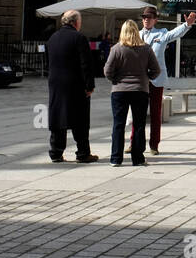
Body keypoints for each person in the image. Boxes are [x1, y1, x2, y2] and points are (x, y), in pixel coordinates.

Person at [139, 6, 196, 156]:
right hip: (140, 80)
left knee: (156, 113)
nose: (146, 19)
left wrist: (187, 25)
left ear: (155, 20)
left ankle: (154, 144)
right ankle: (135, 142)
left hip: (156, 79)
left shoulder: (162, 33)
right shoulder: (136, 35)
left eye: (149, 17)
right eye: (144, 17)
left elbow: (174, 34)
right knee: (137, 113)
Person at [104, 21, 161, 167]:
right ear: (137, 31)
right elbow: (156, 70)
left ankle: (116, 158)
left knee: (118, 124)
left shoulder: (116, 49)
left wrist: (116, 79)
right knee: (139, 124)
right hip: (140, 90)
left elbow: (107, 71)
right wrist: (146, 78)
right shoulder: (146, 49)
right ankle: (138, 158)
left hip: (119, 91)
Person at [45, 9, 98, 163]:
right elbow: (86, 64)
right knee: (80, 119)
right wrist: (90, 86)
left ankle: (55, 152)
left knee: (58, 117)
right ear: (76, 22)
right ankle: (83, 153)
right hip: (75, 84)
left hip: (55, 83)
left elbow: (49, 61)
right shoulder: (79, 37)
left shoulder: (53, 38)